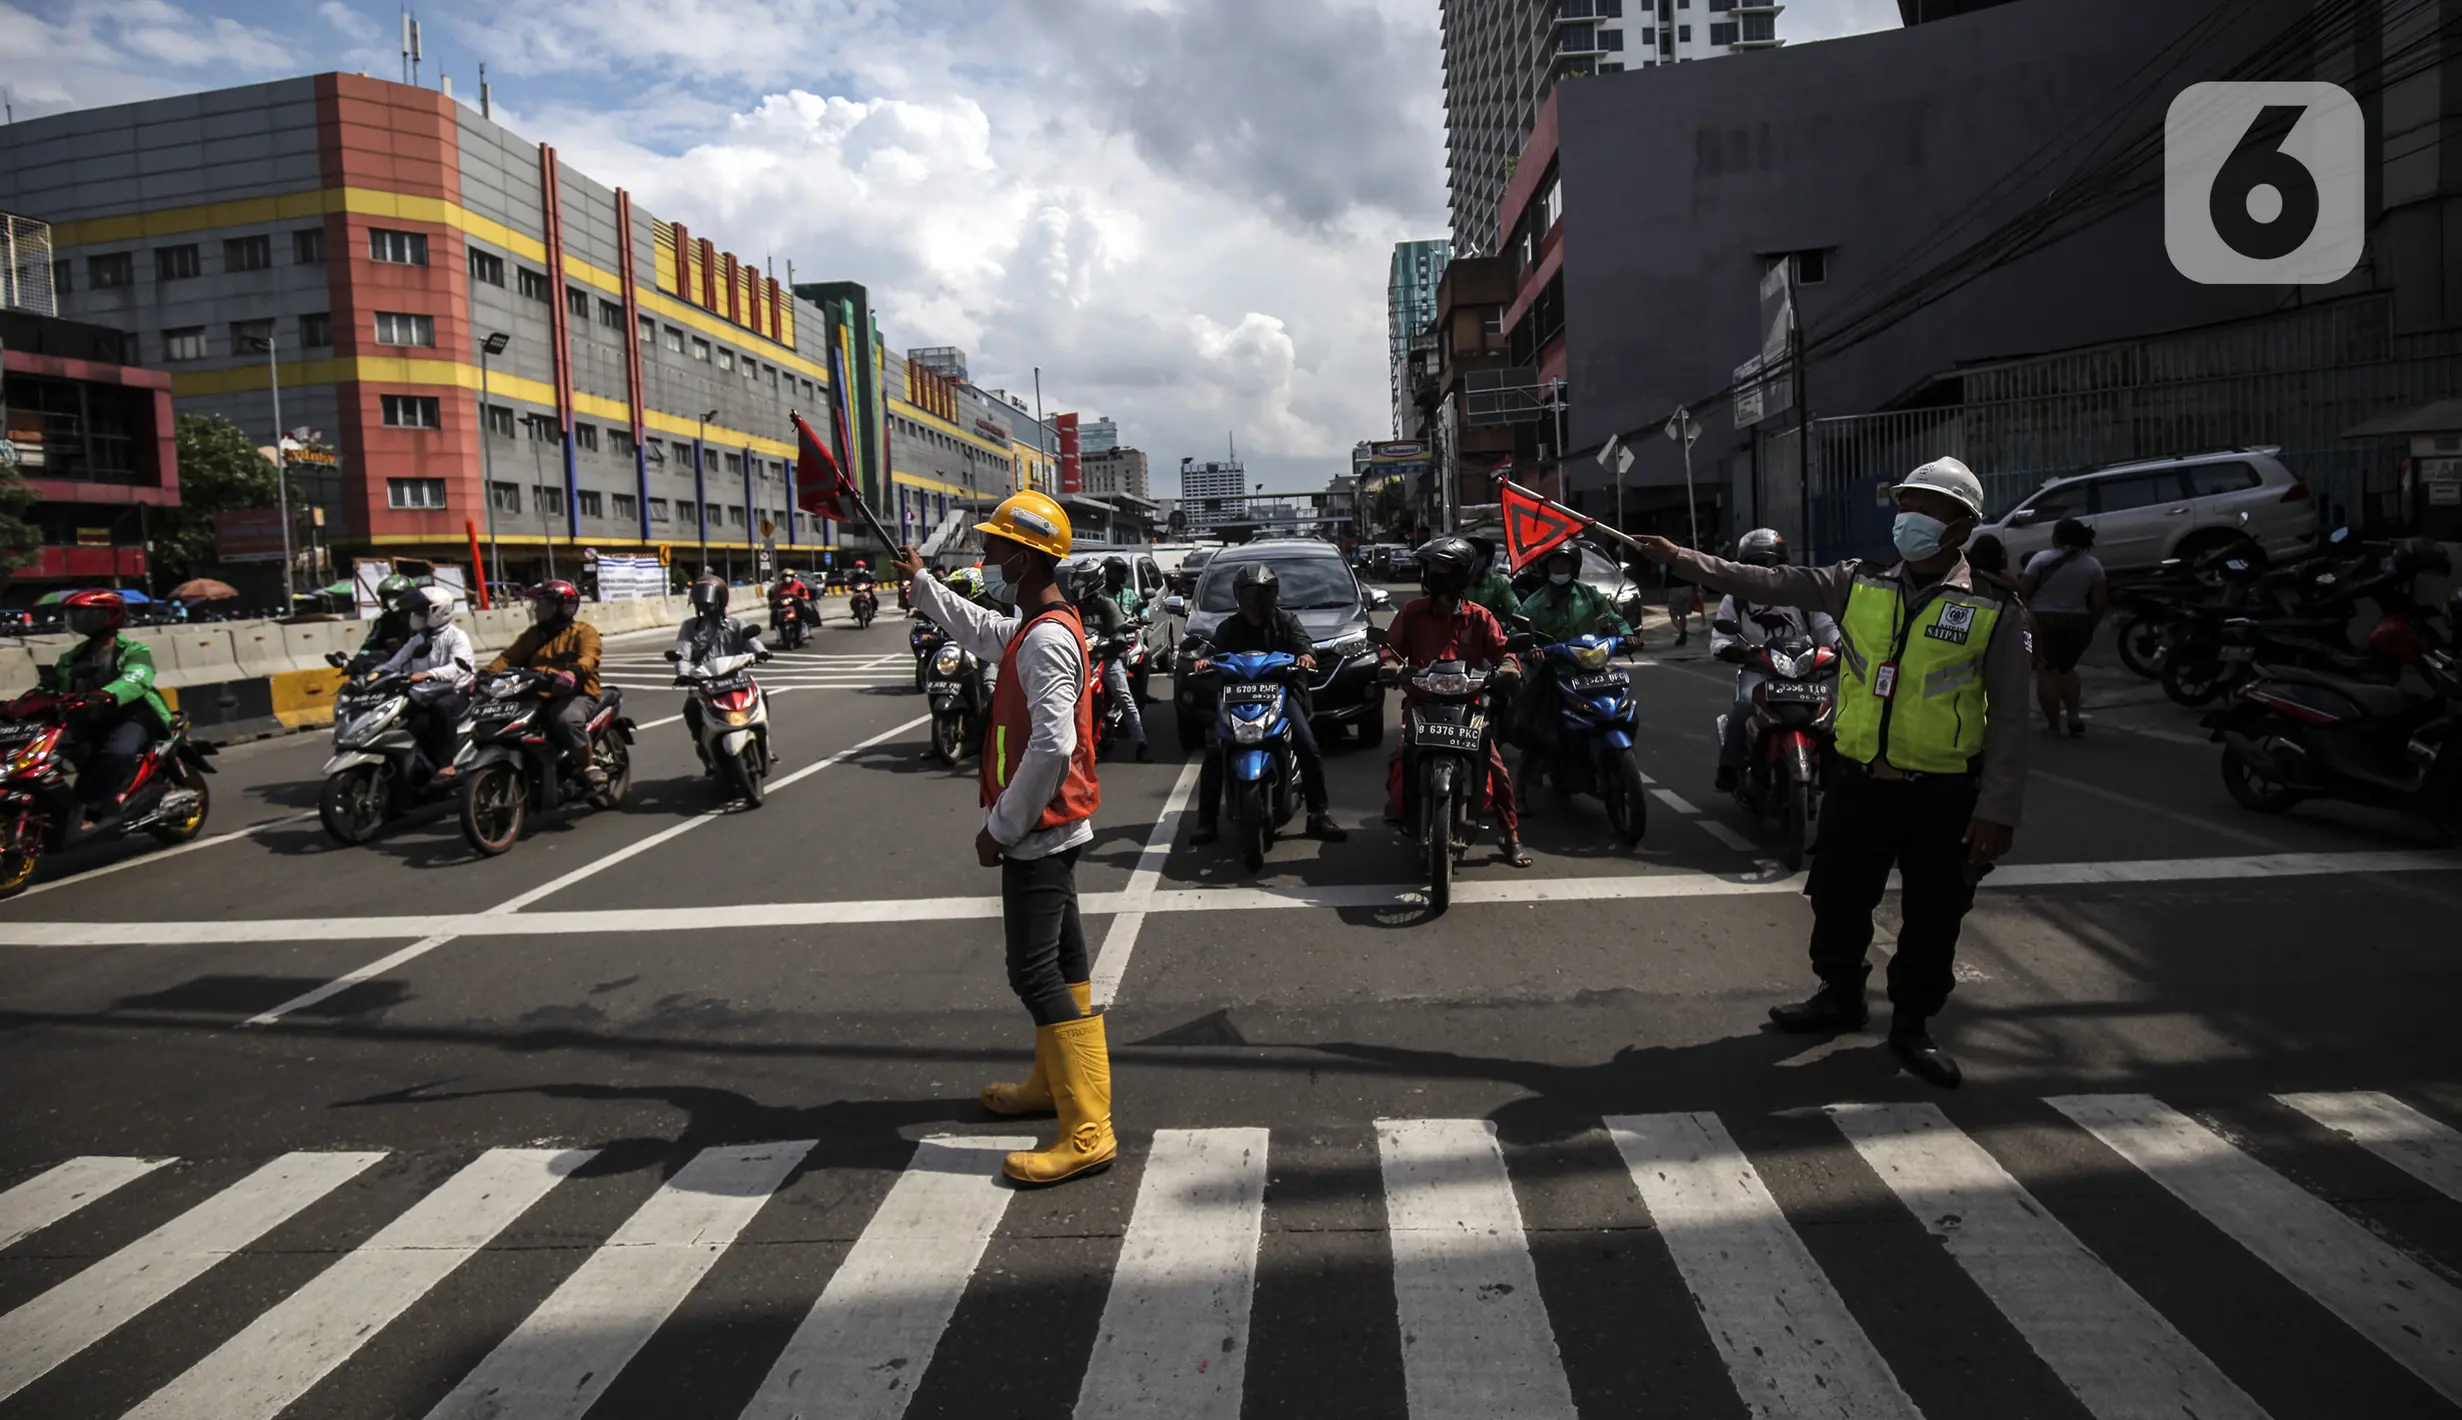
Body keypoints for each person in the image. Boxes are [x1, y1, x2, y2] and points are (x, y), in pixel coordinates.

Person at [1628, 456, 2029, 1087]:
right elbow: (1766, 583)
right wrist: (1682, 558)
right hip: (1857, 783)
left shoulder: (1993, 608)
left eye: (1930, 508)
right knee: (1837, 901)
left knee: (1933, 917)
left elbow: (2010, 719)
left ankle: (1912, 1027)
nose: (1912, 518)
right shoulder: (1857, 581)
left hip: (1944, 795)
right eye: (1908, 505)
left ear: (1962, 525)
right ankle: (1839, 996)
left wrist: (1997, 811)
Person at [894, 492, 1115, 1188]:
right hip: (1055, 825)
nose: (986, 555)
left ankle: (1088, 1128)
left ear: (1025, 557)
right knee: (1067, 964)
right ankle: (1055, 1086)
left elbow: (1050, 746)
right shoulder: (1036, 622)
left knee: (1034, 972)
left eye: (995, 547)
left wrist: (1000, 828)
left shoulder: (1047, 636)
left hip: (1039, 832)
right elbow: (985, 630)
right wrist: (926, 587)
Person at [1378, 535, 1527, 867]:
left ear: (1459, 574)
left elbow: (1503, 649)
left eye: (1440, 569)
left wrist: (1507, 667)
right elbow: (1391, 647)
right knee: (1401, 756)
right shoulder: (1412, 613)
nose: (1433, 575)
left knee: (1497, 767)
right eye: (1430, 569)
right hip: (1422, 705)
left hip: (1469, 707)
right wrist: (1389, 664)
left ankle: (1510, 834)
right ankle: (1403, 809)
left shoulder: (1480, 617)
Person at [1186, 562, 1345, 842]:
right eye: (1249, 594)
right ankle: (1206, 821)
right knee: (1213, 749)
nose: (1255, 600)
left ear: (1273, 595)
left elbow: (1303, 643)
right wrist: (1205, 661)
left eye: (1261, 593)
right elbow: (1215, 652)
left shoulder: (1286, 621)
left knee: (1307, 745)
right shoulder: (1228, 627)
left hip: (1282, 694)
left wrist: (1306, 656)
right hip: (1236, 697)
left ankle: (1319, 814)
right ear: (1238, 596)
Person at [1709, 529, 1841, 793]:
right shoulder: (1735, 597)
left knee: (1832, 715)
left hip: (1803, 667)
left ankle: (1836, 775)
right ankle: (1730, 768)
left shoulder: (1802, 592)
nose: (1761, 571)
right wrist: (1730, 650)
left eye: (1768, 563)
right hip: (1759, 668)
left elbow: (1826, 625)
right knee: (1745, 704)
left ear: (1782, 563)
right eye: (1753, 564)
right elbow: (1719, 638)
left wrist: (1838, 644)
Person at [1510, 543, 1634, 809]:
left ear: (1574, 567)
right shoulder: (1535, 603)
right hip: (1553, 671)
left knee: (1618, 709)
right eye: (1554, 564)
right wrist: (1531, 649)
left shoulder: (1589, 595)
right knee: (1538, 728)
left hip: (1591, 667)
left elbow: (1612, 617)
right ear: (1546, 568)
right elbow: (1516, 631)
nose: (1559, 568)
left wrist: (1627, 634)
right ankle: (1519, 792)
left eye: (1564, 564)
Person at [52, 589, 172, 829]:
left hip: (132, 715)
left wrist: (108, 693)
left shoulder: (134, 651)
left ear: (110, 617)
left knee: (118, 752)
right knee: (46, 751)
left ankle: (95, 811)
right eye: (75, 615)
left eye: (87, 614)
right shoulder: (72, 657)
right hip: (88, 716)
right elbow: (53, 686)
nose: (78, 620)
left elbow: (137, 678)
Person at [485, 580, 607, 789]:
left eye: (544, 605)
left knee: (566, 720)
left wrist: (572, 672)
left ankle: (588, 765)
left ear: (563, 608)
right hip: (536, 691)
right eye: (537, 605)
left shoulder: (583, 632)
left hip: (577, 693)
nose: (537, 610)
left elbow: (589, 657)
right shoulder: (533, 635)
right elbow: (508, 658)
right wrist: (484, 674)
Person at [372, 586, 476, 785]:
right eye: (416, 610)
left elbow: (459, 667)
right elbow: (395, 663)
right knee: (399, 723)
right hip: (422, 695)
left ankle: (447, 764)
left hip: (453, 693)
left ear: (438, 611)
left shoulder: (456, 637)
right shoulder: (417, 639)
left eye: (422, 610)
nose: (417, 615)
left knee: (441, 709)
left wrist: (429, 674)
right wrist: (373, 676)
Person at [2019, 518, 2108, 737]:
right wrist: (2090, 625)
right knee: (2067, 669)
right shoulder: (2092, 565)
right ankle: (2074, 716)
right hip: (2077, 621)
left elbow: (2022, 593)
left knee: (2046, 671)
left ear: (2056, 538)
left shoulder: (2040, 560)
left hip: (2042, 620)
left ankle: (2053, 725)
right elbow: (2099, 602)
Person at [671, 575, 771, 769]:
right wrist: (683, 674)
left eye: (708, 603)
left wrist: (762, 653)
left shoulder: (736, 623)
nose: (705, 608)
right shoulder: (689, 627)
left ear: (721, 600)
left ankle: (765, 741)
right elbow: (682, 653)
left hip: (736, 679)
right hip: (705, 683)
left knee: (762, 695)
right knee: (691, 708)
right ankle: (703, 746)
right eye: (701, 604)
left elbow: (751, 641)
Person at [1071, 562, 1151, 762]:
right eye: (1076, 578)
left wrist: (1116, 639)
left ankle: (1141, 743)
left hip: (1107, 658)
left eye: (1081, 579)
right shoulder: (1074, 607)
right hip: (1082, 660)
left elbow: (1118, 628)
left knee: (1124, 697)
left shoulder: (1106, 603)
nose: (1076, 583)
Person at [347, 573, 420, 673]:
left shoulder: (420, 618)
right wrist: (360, 658)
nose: (391, 600)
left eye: (395, 595)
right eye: (387, 596)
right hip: (388, 668)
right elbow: (369, 645)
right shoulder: (384, 621)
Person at [1463, 536, 1519, 623]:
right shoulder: (1456, 581)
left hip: (1489, 630)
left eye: (1479, 554)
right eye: (1470, 554)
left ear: (1488, 559)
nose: (1474, 559)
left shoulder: (1498, 583)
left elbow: (1514, 608)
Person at [770, 567, 816, 636]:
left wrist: (802, 598)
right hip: (785, 604)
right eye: (785, 576)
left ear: (792, 577)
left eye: (789, 576)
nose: (787, 578)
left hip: (797, 603)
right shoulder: (780, 587)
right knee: (774, 613)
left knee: (806, 610)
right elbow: (776, 596)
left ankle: (806, 626)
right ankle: (777, 631)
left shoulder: (799, 584)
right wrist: (774, 601)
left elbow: (805, 594)